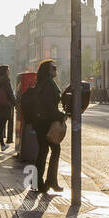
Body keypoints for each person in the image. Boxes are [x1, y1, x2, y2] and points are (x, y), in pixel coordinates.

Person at [29, 59, 67, 193]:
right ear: (48, 70)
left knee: (43, 151)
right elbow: (49, 107)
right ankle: (50, 181)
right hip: (45, 122)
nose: (56, 70)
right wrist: (61, 116)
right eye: (54, 68)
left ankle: (39, 182)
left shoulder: (42, 83)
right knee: (54, 150)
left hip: (39, 122)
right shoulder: (48, 85)